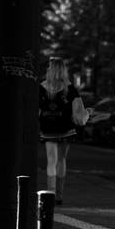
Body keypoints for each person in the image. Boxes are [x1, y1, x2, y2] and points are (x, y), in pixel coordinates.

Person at [38, 57, 87, 205]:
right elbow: (78, 115)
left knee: (51, 161)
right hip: (66, 130)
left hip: (48, 129)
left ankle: (51, 192)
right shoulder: (70, 89)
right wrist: (88, 113)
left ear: (50, 70)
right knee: (61, 160)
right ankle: (59, 194)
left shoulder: (41, 87)